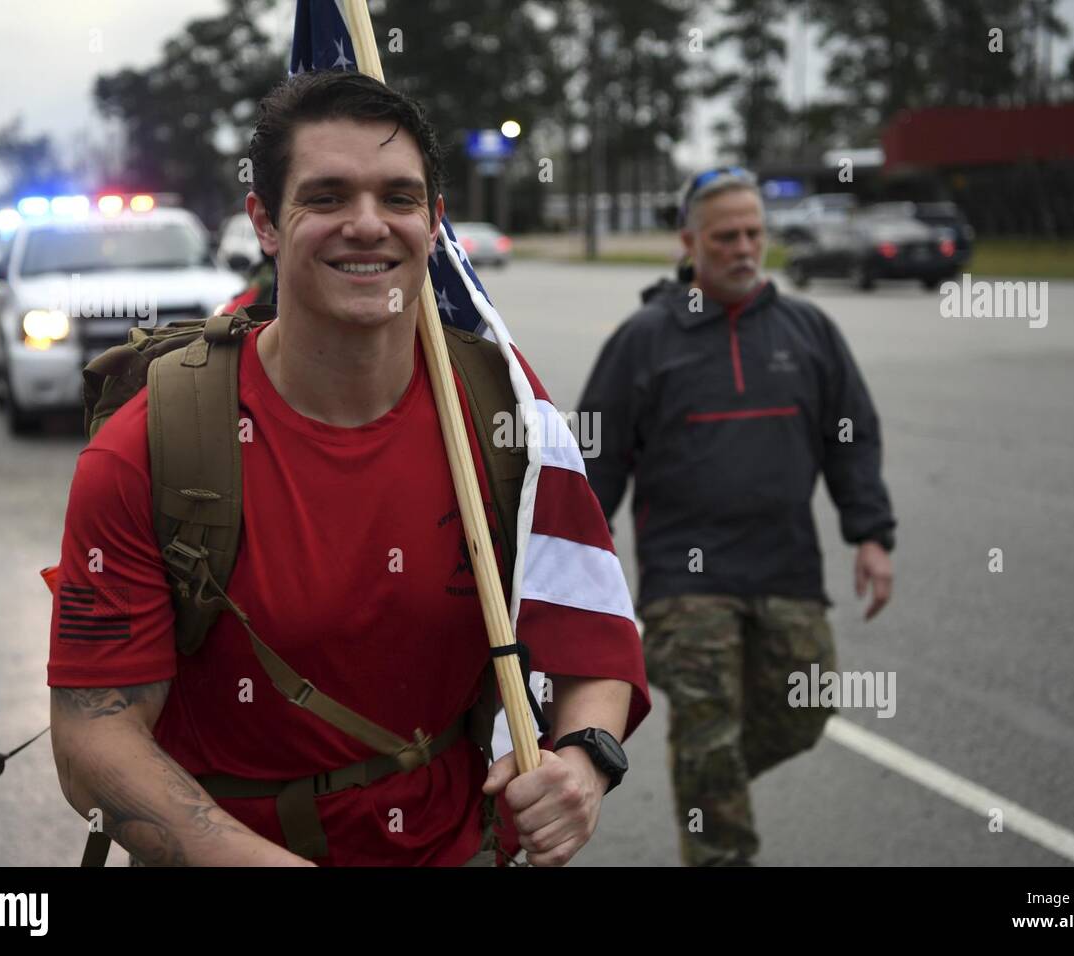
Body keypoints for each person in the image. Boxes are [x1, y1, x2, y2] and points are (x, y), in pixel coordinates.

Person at [47, 69, 649, 867]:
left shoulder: (504, 411)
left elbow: (593, 635)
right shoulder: (148, 448)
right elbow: (94, 735)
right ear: (264, 220)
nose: (368, 225)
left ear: (434, 223)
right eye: (326, 197)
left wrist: (585, 759)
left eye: (399, 198)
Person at [577, 166, 896, 866]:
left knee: (801, 717)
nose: (745, 248)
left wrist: (871, 534)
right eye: (726, 237)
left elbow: (853, 434)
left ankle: (708, 777)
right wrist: (571, 570)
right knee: (707, 729)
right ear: (688, 241)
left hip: (787, 569)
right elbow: (596, 462)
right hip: (685, 582)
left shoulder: (807, 330)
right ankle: (717, 820)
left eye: (755, 233)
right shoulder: (644, 340)